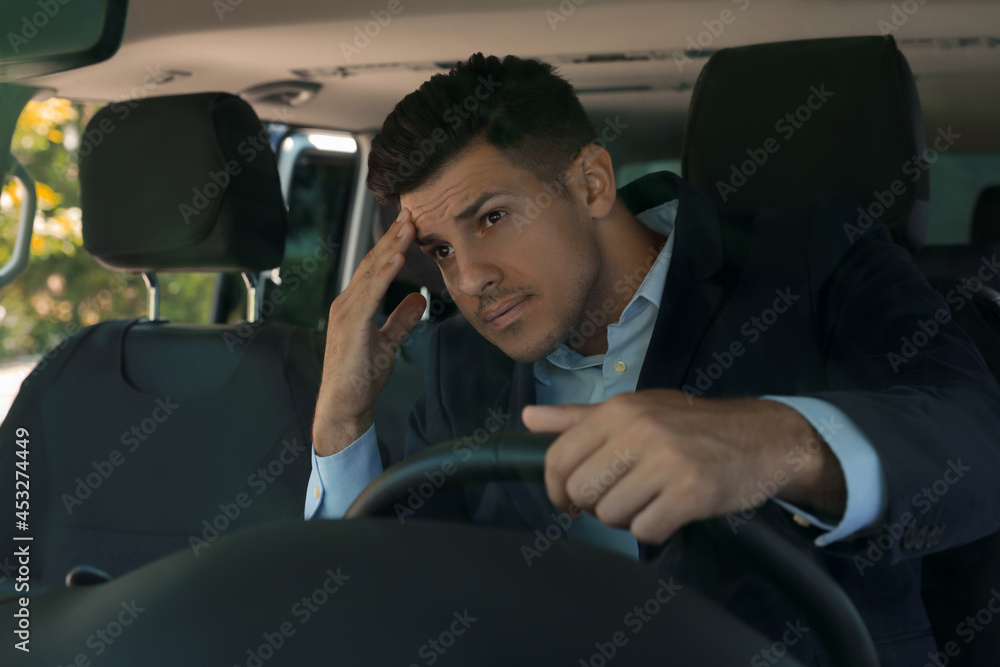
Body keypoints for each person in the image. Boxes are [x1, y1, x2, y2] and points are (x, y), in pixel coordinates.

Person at [304, 53, 1000, 664]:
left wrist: (776, 443)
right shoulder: (462, 362)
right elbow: (397, 604)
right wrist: (341, 424)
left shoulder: (813, 258)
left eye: (491, 217)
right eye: (441, 251)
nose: (470, 277)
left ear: (593, 183)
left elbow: (976, 439)